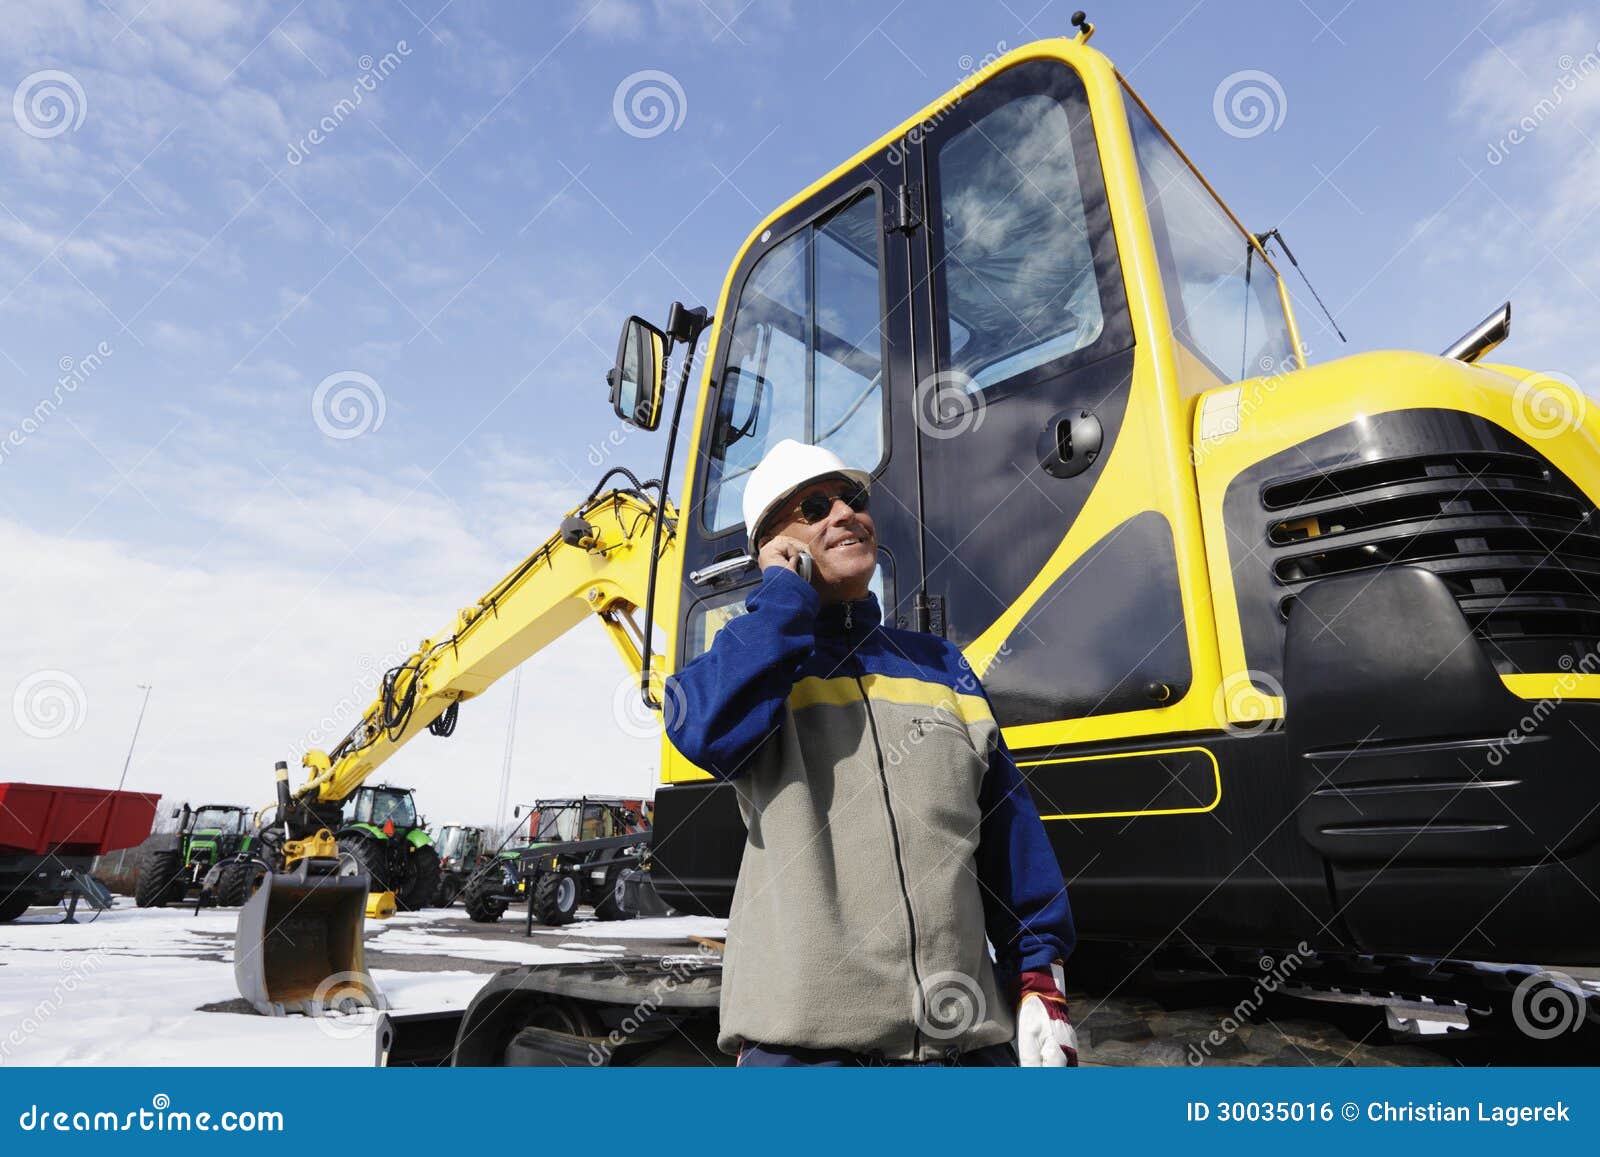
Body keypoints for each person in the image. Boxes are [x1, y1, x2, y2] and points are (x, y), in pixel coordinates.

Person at [665, 439, 1080, 1067]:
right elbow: (702, 728)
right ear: (774, 547)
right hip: (806, 1059)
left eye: (852, 498)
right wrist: (781, 598)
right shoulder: (758, 667)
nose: (844, 514)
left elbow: (1007, 830)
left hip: (965, 1050)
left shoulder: (940, 666)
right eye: (814, 505)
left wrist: (1039, 979)